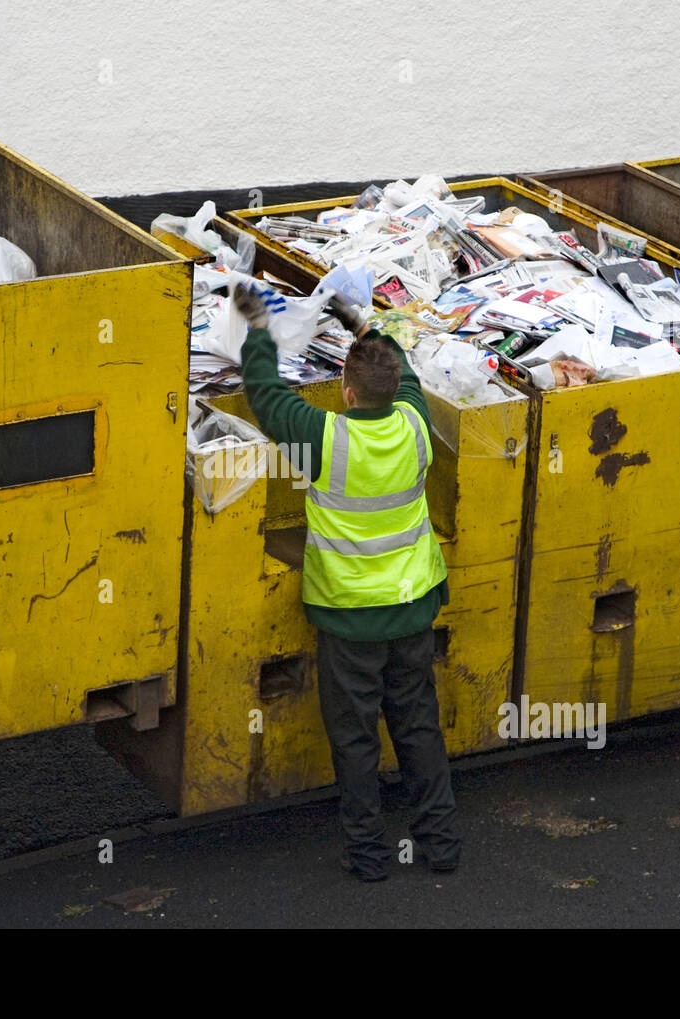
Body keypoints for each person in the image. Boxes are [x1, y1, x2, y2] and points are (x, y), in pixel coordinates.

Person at [233, 283, 461, 882]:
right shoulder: (414, 423)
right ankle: (441, 846)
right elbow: (404, 369)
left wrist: (258, 326)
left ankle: (369, 856)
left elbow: (264, 393)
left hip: (350, 621)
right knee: (418, 728)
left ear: (347, 392)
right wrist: (363, 325)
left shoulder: (326, 439)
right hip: (412, 610)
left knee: (357, 742)